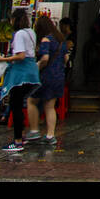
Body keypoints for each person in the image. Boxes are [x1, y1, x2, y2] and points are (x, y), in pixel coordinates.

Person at [0, 9, 41, 151]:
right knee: (19, 105)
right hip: (31, 72)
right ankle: (21, 136)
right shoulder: (31, 32)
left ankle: (18, 140)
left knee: (16, 106)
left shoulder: (20, 34)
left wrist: (3, 59)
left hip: (21, 74)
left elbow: (21, 56)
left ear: (15, 20)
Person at [28, 15, 67, 145]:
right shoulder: (61, 40)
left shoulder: (46, 40)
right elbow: (66, 59)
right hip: (58, 76)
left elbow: (45, 58)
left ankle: (34, 130)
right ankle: (50, 135)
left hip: (46, 76)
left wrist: (37, 67)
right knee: (50, 106)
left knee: (31, 100)